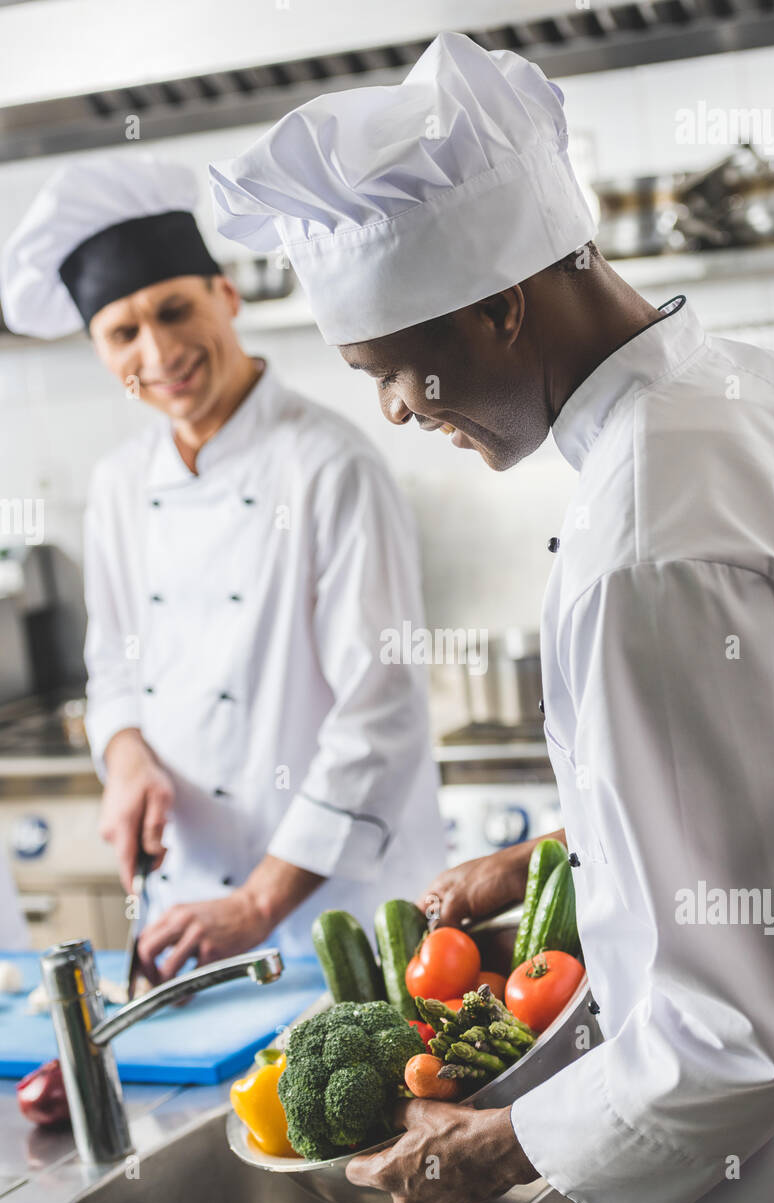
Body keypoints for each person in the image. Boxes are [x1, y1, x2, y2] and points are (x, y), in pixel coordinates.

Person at [209, 31, 774, 1203]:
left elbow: (746, 1031)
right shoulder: (759, 395)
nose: (398, 410)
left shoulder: (644, 543)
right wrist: (577, 851)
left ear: (501, 304)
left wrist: (492, 1146)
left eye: (389, 369)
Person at [0, 154, 445, 979]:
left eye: (174, 309)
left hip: (334, 914)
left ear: (225, 296)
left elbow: (379, 713)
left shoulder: (329, 467)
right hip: (192, 911)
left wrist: (261, 902)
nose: (161, 350)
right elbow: (115, 670)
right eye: (124, 332)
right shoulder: (119, 485)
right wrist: (125, 754)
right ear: (100, 349)